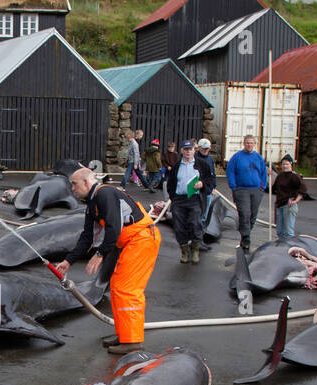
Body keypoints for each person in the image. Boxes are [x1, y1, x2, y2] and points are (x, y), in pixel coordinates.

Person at [55, 167, 161, 354]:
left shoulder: (105, 194)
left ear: (87, 182)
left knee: (127, 288)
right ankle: (125, 335)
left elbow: (114, 228)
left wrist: (100, 254)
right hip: (130, 242)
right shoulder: (92, 203)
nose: (72, 188)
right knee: (117, 286)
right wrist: (68, 261)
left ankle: (133, 341)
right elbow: (87, 237)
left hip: (141, 239)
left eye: (74, 184)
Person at [165, 140, 205, 264]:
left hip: (194, 199)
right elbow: (170, 183)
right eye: (186, 149)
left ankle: (195, 250)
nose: (188, 152)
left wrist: (202, 184)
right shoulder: (177, 166)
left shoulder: (201, 165)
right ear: (182, 151)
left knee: (195, 223)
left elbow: (210, 180)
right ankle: (184, 251)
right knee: (179, 226)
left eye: (190, 149)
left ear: (194, 150)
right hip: (179, 199)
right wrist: (173, 198)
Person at [226, 134, 268, 252]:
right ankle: (246, 238)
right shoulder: (237, 157)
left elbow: (263, 173)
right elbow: (230, 172)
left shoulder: (258, 157)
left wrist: (262, 187)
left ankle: (246, 232)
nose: (249, 144)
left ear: (254, 144)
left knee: (253, 215)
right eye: (247, 142)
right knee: (244, 213)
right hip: (241, 190)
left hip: (256, 190)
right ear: (243, 143)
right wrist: (234, 187)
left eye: (251, 142)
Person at [271, 155, 305, 240]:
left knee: (288, 231)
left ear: (291, 165)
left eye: (286, 164)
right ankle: (281, 248)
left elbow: (303, 189)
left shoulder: (295, 176)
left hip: (289, 205)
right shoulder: (280, 176)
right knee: (279, 231)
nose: (284, 166)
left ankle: (289, 248)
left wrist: (295, 201)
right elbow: (273, 189)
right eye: (283, 164)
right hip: (279, 204)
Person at [194, 138, 217, 246]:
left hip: (207, 191)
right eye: (203, 149)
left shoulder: (209, 160)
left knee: (204, 215)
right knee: (196, 214)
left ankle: (199, 237)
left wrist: (213, 186)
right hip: (197, 192)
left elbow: (212, 174)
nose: (205, 151)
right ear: (199, 148)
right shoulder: (194, 159)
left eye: (207, 149)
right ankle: (195, 237)